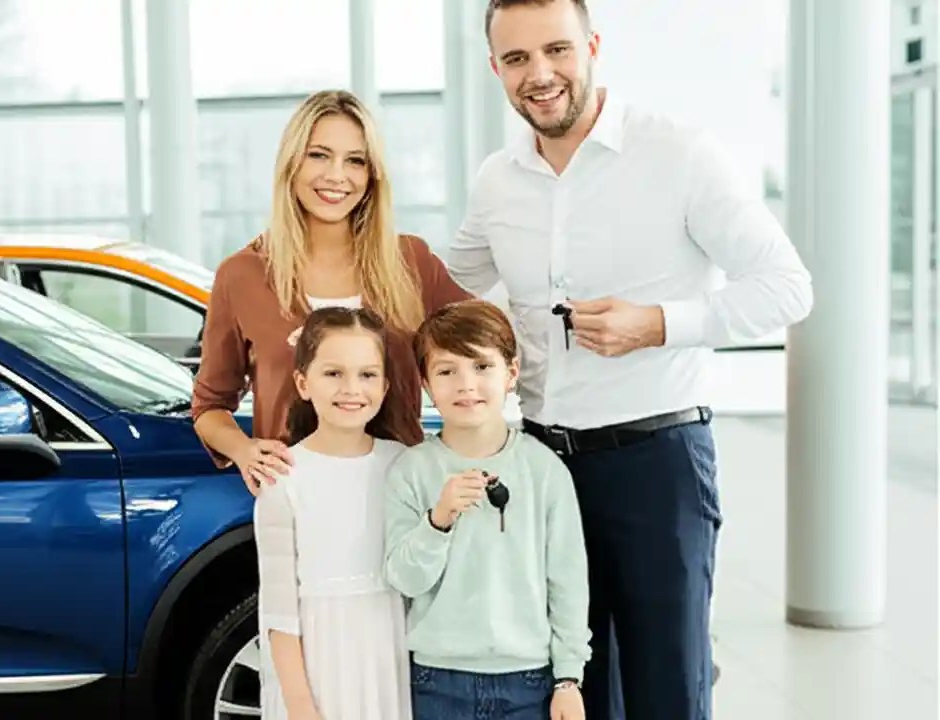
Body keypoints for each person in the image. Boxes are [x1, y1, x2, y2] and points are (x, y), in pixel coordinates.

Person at [447, 1, 815, 718]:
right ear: (496, 69)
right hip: (543, 471)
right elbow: (442, 285)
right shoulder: (498, 180)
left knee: (666, 690)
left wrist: (656, 325)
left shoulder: (678, 154)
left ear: (593, 46)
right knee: (568, 689)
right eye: (517, 59)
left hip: (657, 463)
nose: (540, 74)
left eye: (557, 50)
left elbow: (787, 289)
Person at [191, 89, 472, 495]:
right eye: (319, 155)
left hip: (405, 500)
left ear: (371, 175)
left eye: (355, 160)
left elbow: (481, 357)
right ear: (292, 162)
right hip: (297, 498)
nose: (336, 176)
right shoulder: (242, 275)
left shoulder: (412, 262)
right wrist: (245, 450)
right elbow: (209, 405)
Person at [383, 299, 589, 720]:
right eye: (446, 371)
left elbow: (567, 582)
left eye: (481, 367)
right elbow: (404, 579)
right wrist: (438, 521)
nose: (465, 384)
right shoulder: (411, 471)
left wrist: (569, 679)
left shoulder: (544, 470)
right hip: (436, 678)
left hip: (528, 679)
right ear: (425, 382)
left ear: (511, 373)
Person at [255, 306, 413, 719]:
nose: (351, 389)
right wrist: (300, 704)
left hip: (388, 661)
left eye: (366, 374)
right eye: (333, 373)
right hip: (316, 669)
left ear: (385, 385)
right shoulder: (283, 476)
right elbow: (278, 610)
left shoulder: (405, 466)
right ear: (303, 383)